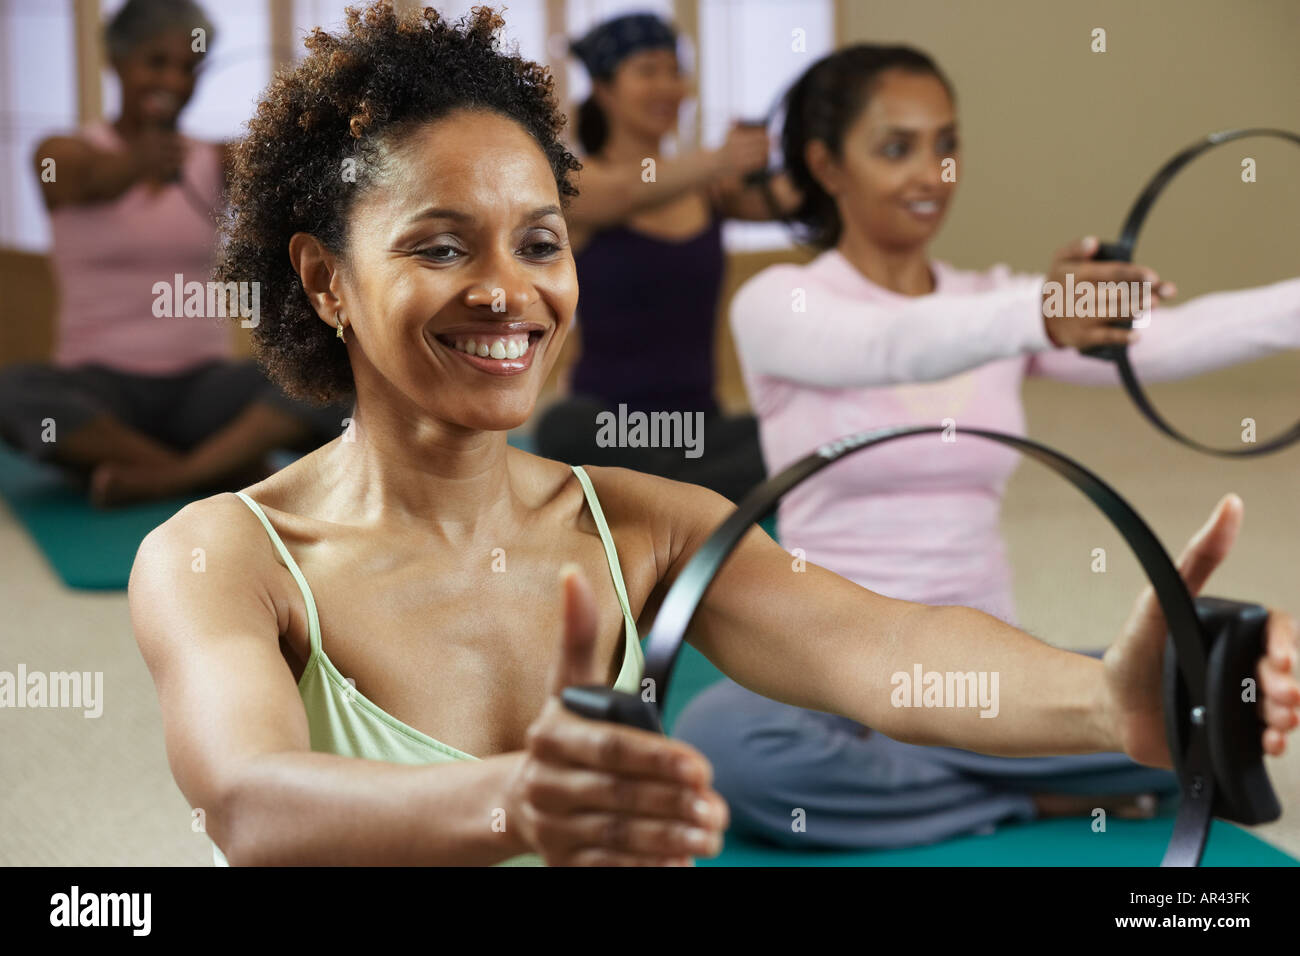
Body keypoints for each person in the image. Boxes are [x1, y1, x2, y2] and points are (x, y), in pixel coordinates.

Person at [127, 3, 1300, 867]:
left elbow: (882, 652)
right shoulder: (218, 555)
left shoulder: (642, 520)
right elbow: (250, 799)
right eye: (441, 245)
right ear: (325, 279)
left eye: (540, 243)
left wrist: (1107, 700)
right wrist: (522, 802)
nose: (509, 290)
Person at [672, 44, 1300, 849]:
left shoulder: (995, 303)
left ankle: (967, 772)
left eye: (947, 144)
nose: (932, 174)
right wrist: (1037, 310)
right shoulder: (780, 304)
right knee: (728, 749)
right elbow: (894, 345)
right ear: (827, 165)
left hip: (993, 681)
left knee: (1204, 704)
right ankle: (1032, 795)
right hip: (833, 680)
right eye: (897, 148)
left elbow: (1172, 338)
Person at [0, 0, 349, 507]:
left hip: (203, 395)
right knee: (15, 394)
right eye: (155, 62)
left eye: (187, 67)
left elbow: (286, 182)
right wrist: (138, 162)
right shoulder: (62, 153)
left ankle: (161, 476)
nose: (173, 80)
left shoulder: (215, 160)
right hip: (100, 392)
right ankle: (220, 469)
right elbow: (80, 182)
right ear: (118, 62)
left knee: (338, 379)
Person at [534, 12, 799, 503]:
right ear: (606, 89)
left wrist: (831, 150)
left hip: (699, 428)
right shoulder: (575, 182)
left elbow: (796, 200)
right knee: (560, 426)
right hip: (609, 426)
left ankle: (667, 501)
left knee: (791, 436)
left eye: (674, 71)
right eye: (648, 71)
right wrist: (721, 159)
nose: (668, 86)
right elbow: (626, 192)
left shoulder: (709, 189)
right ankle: (697, 502)